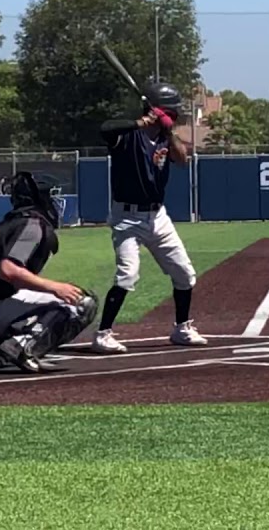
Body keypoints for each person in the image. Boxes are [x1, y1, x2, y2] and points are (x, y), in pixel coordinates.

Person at [90, 81, 205, 354]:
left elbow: (182, 160)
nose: (174, 116)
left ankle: (182, 328)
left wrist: (170, 130)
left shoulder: (166, 137)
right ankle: (103, 334)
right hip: (127, 218)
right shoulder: (128, 135)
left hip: (158, 216)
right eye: (171, 112)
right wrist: (141, 122)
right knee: (127, 275)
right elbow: (105, 129)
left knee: (185, 274)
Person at [0, 171, 98, 373]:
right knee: (82, 303)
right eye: (50, 195)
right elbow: (9, 270)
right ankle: (21, 346)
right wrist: (55, 287)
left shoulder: (13, 220)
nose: (54, 200)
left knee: (56, 297)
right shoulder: (32, 225)